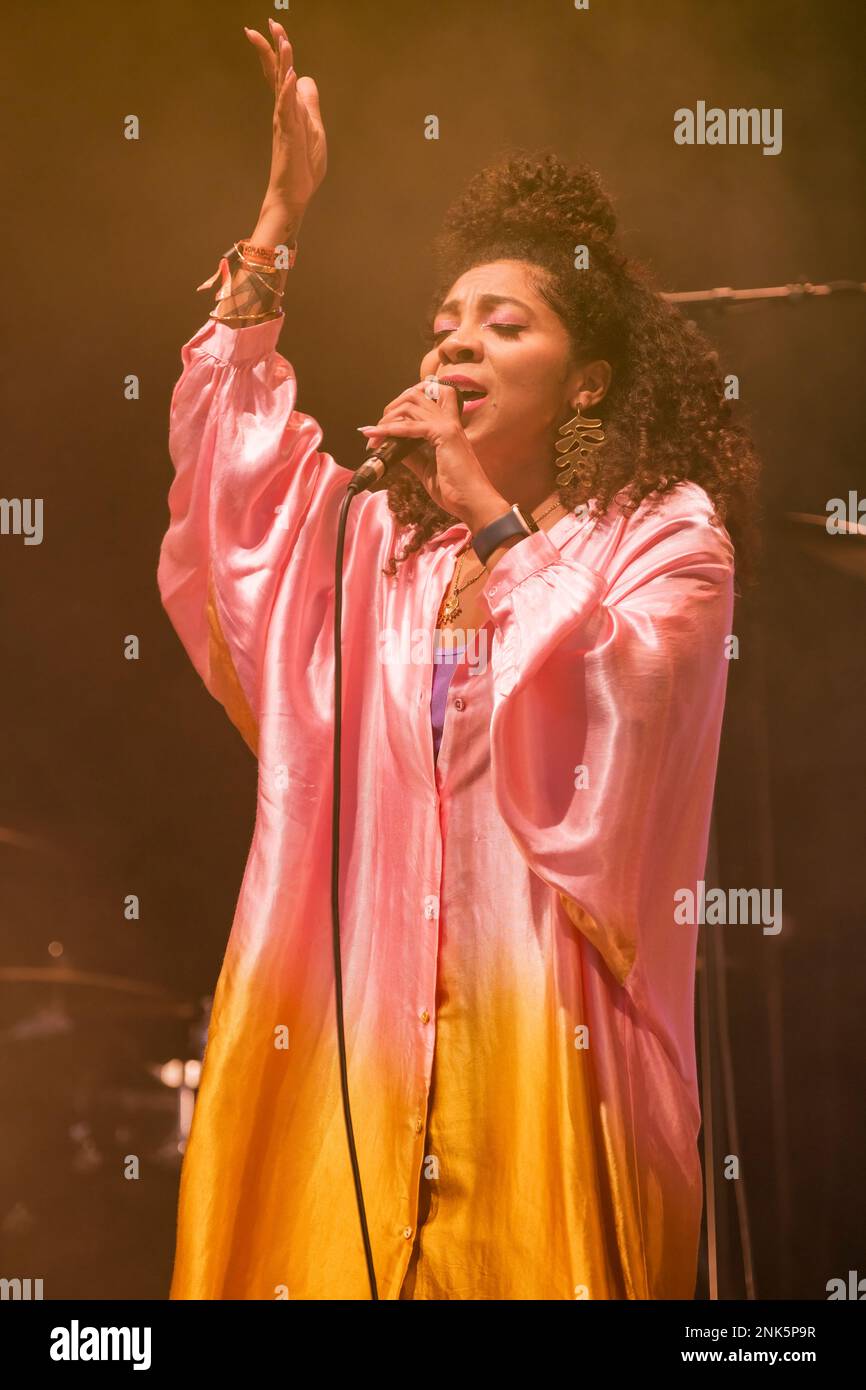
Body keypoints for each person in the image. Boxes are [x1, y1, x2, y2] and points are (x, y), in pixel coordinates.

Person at [158, 19, 760, 1300]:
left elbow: (620, 702)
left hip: (545, 1066)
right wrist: (277, 214)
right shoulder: (374, 550)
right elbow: (231, 483)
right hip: (349, 1052)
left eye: (502, 323)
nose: (454, 343)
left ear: (587, 382)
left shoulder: (660, 541)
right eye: (443, 324)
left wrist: (494, 512)